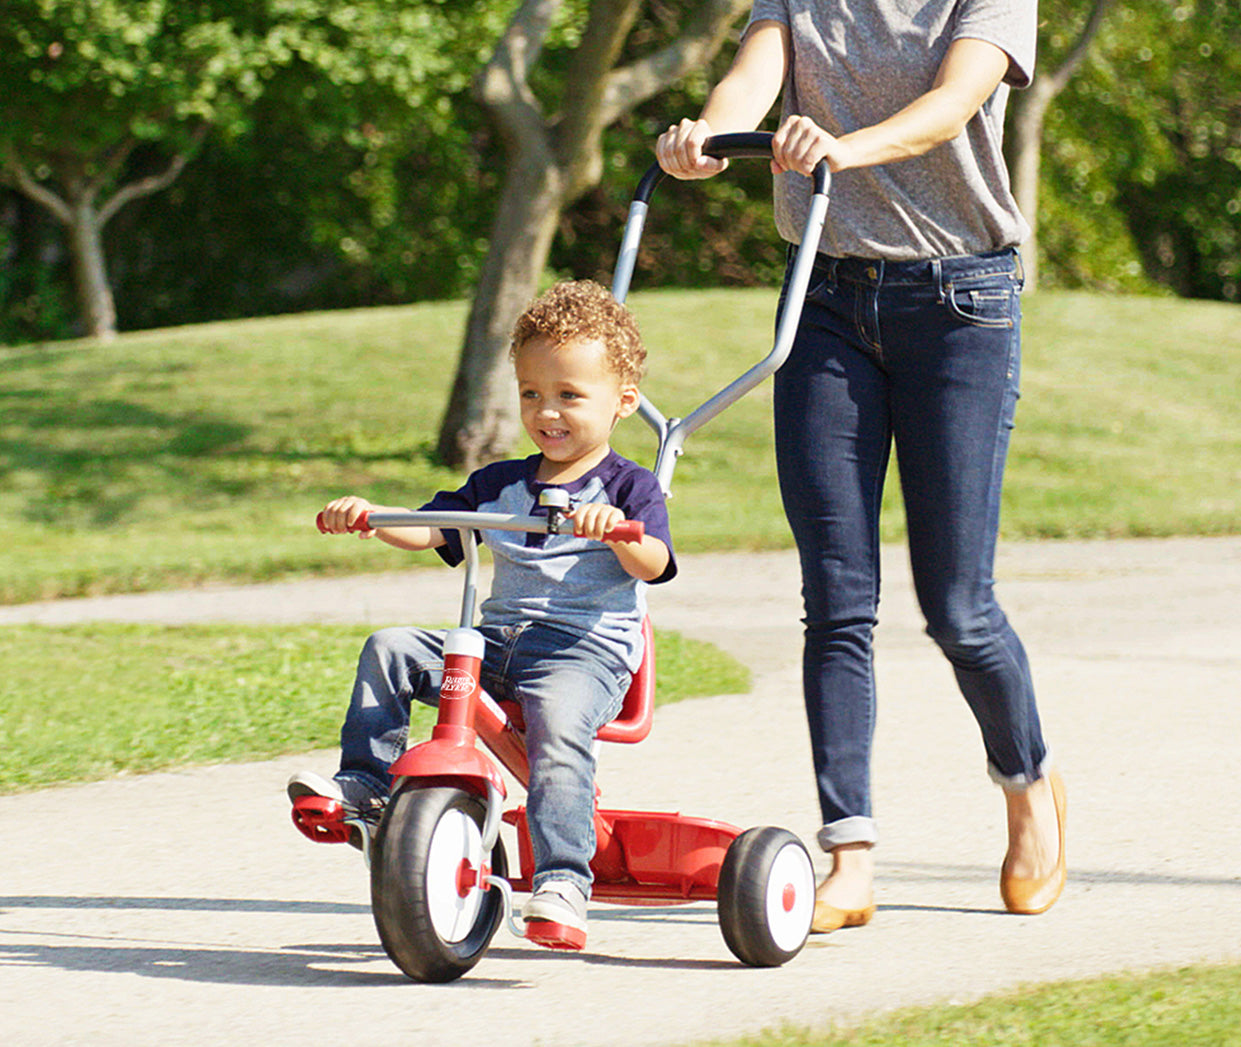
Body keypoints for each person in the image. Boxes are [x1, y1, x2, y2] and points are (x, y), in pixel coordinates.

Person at [655, 0, 1065, 931]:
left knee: (957, 607)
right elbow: (752, 76)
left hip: (959, 303)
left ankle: (1027, 781)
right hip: (824, 299)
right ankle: (849, 854)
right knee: (836, 599)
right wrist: (707, 137)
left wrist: (840, 148)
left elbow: (950, 106)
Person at [288, 280, 676, 945]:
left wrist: (617, 530)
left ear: (623, 402)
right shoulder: (499, 483)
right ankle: (365, 786)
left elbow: (656, 561)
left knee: (558, 721)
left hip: (583, 653)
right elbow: (431, 529)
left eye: (569, 396)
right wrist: (372, 516)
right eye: (530, 394)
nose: (546, 412)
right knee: (391, 646)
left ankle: (562, 880)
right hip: (497, 643)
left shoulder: (628, 486)